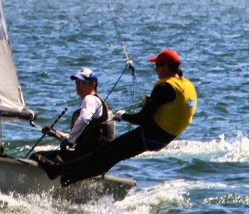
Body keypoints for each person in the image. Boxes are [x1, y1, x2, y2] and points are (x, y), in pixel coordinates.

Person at [42, 48, 197, 185]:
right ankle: (70, 178)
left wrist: (123, 116)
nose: (155, 70)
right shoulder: (186, 85)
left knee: (104, 154)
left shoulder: (164, 86)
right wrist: (151, 102)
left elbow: (142, 119)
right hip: (164, 138)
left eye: (157, 65)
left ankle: (57, 170)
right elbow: (173, 105)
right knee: (111, 157)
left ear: (166, 66)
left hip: (150, 134)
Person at [34, 67, 114, 170]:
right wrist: (54, 134)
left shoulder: (90, 99)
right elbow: (79, 136)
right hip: (95, 159)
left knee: (36, 157)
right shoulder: (97, 102)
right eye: (76, 82)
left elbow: (84, 119)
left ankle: (57, 177)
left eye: (82, 83)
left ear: (93, 84)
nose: (78, 86)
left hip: (86, 158)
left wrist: (71, 140)